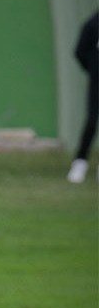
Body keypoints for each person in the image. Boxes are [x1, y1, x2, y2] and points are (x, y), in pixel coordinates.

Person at [66, 10, 98, 183]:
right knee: (92, 121)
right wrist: (92, 70)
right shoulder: (92, 24)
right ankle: (80, 163)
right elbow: (80, 52)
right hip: (97, 83)